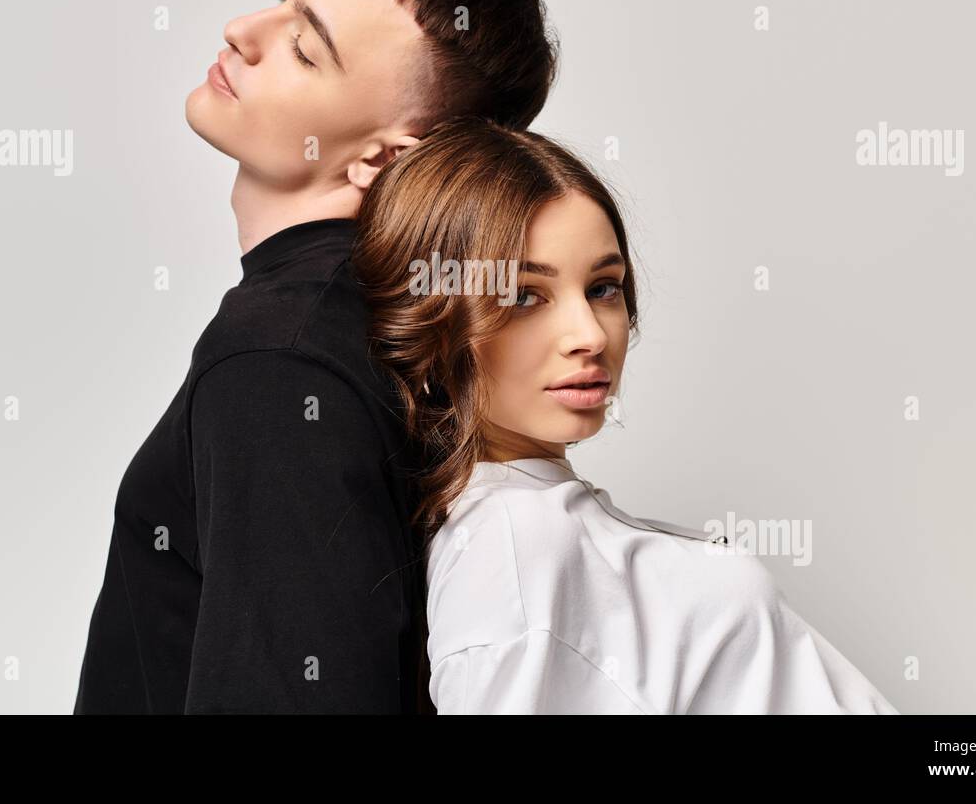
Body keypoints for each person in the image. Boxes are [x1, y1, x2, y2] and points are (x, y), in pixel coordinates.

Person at [73, 0, 560, 713]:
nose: (242, 30)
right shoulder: (365, 320)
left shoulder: (284, 361)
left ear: (383, 158)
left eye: (305, 46)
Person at [351, 116, 900, 714]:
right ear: (430, 323)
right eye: (523, 296)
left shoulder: (538, 518)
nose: (589, 334)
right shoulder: (517, 541)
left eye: (603, 288)